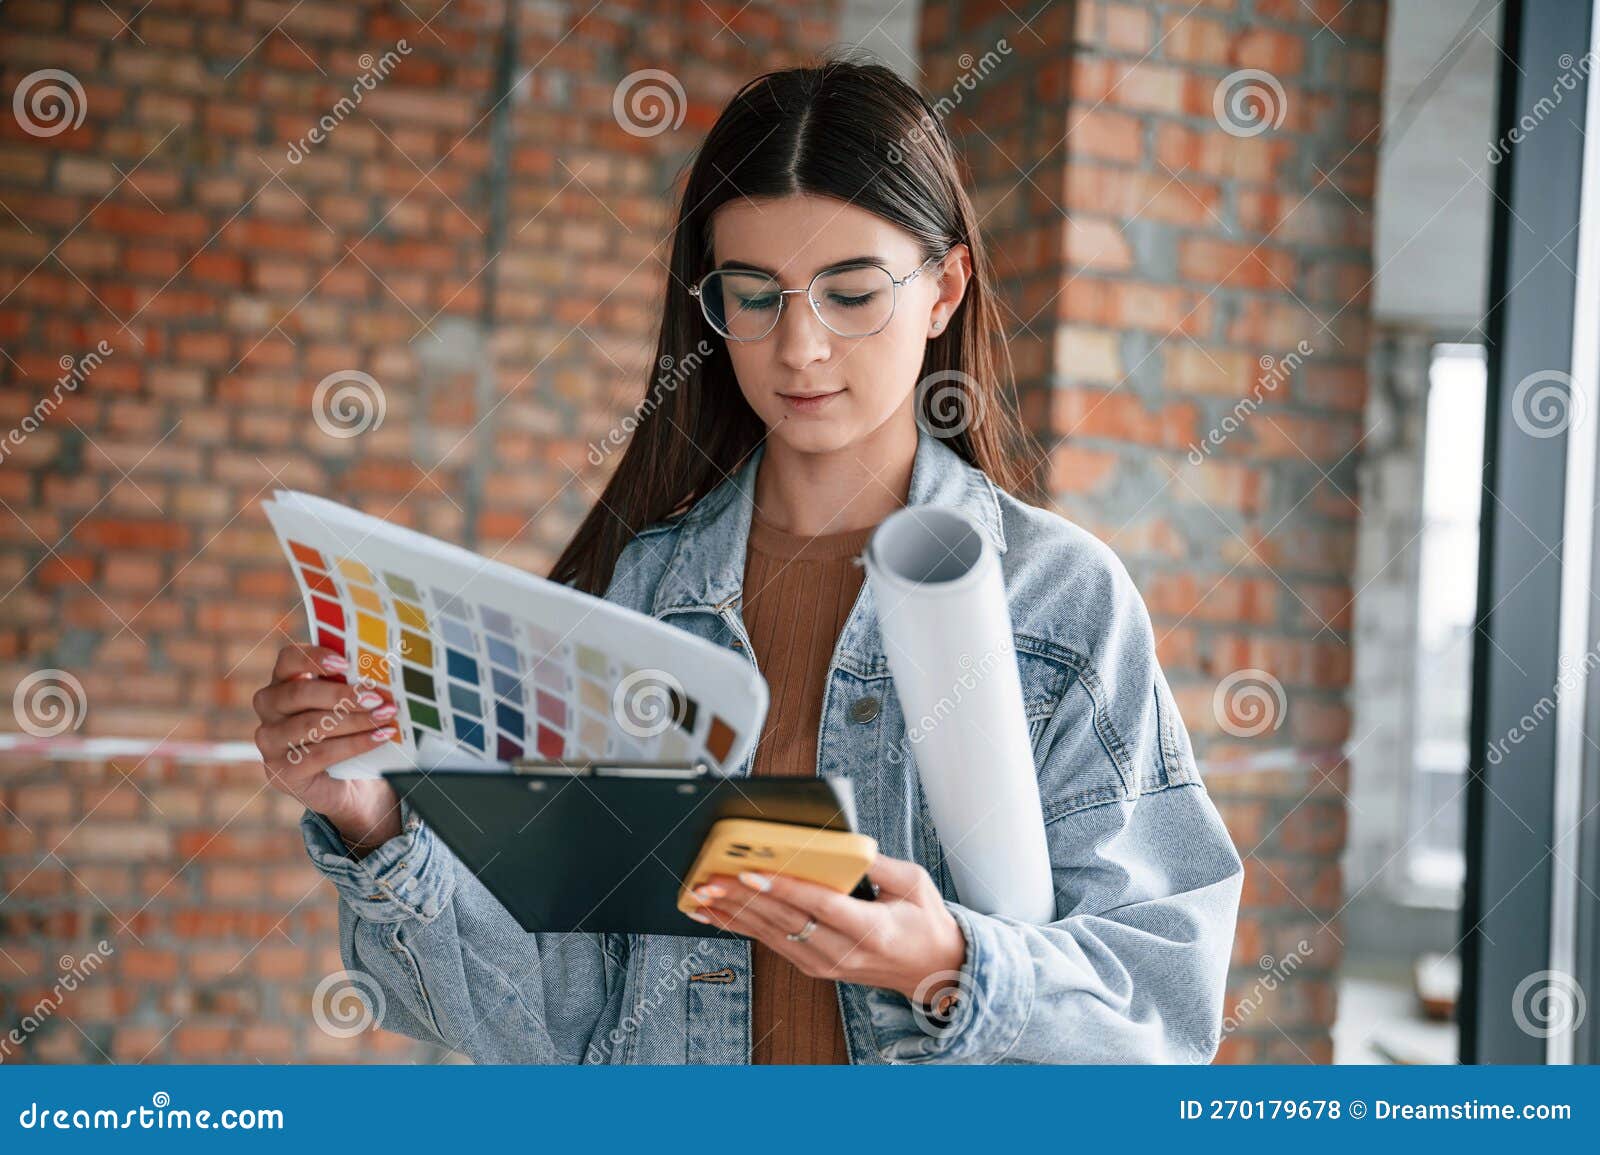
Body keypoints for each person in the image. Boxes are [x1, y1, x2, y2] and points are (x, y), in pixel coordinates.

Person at [250, 55, 1244, 1064]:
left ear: (944, 288)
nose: (799, 348)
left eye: (851, 293)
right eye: (754, 297)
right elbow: (540, 1028)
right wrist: (372, 818)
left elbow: (1159, 1020)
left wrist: (946, 962)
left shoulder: (1059, 603)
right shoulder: (632, 598)